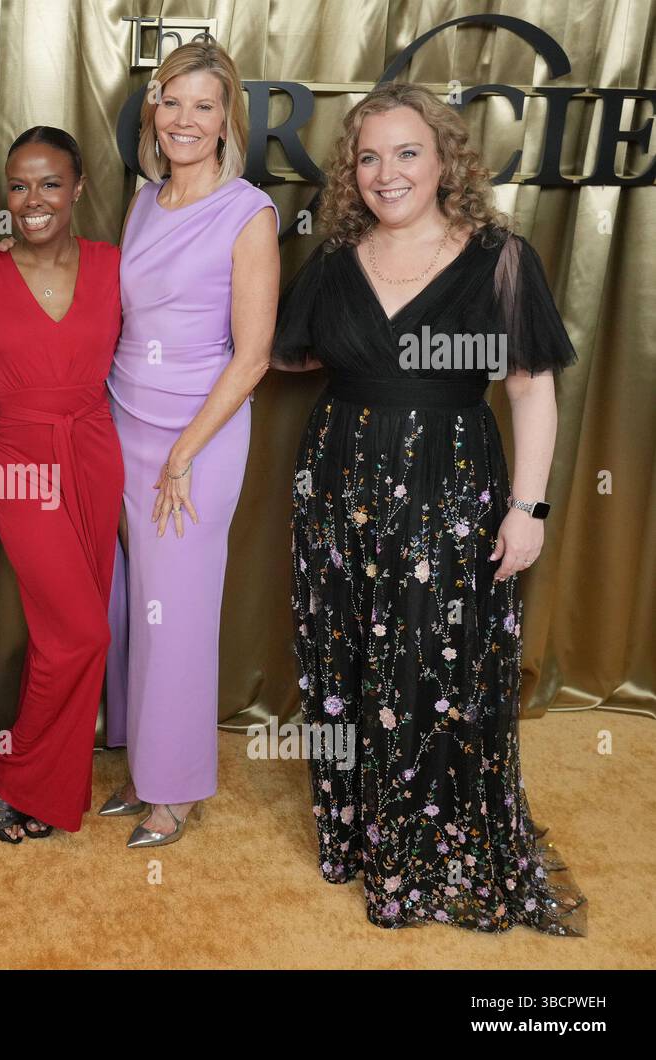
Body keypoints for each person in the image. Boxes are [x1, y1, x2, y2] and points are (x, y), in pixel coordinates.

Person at [270, 81, 587, 934]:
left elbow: (530, 391)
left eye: (407, 152)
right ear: (351, 173)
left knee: (434, 668)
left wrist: (530, 508)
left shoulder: (500, 256)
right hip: (336, 489)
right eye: (368, 158)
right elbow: (289, 354)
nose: (387, 172)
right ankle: (360, 835)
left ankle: (428, 851)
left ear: (445, 159)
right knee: (344, 669)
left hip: (450, 487)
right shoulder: (337, 261)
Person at [102, 41, 279, 847]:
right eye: (172, 101)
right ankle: (144, 767)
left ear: (226, 120)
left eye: (203, 106)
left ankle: (175, 792)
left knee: (177, 614)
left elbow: (252, 358)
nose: (184, 119)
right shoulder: (143, 200)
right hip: (123, 421)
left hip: (196, 438)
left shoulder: (248, 213)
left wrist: (181, 454)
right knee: (134, 605)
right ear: (153, 110)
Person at [0, 127, 123, 841]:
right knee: (78, 632)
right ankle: (16, 766)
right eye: (19, 185)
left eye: (50, 183)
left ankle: (48, 784)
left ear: (79, 187)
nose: (33, 200)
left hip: (95, 450)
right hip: (20, 458)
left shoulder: (116, 265)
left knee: (71, 631)